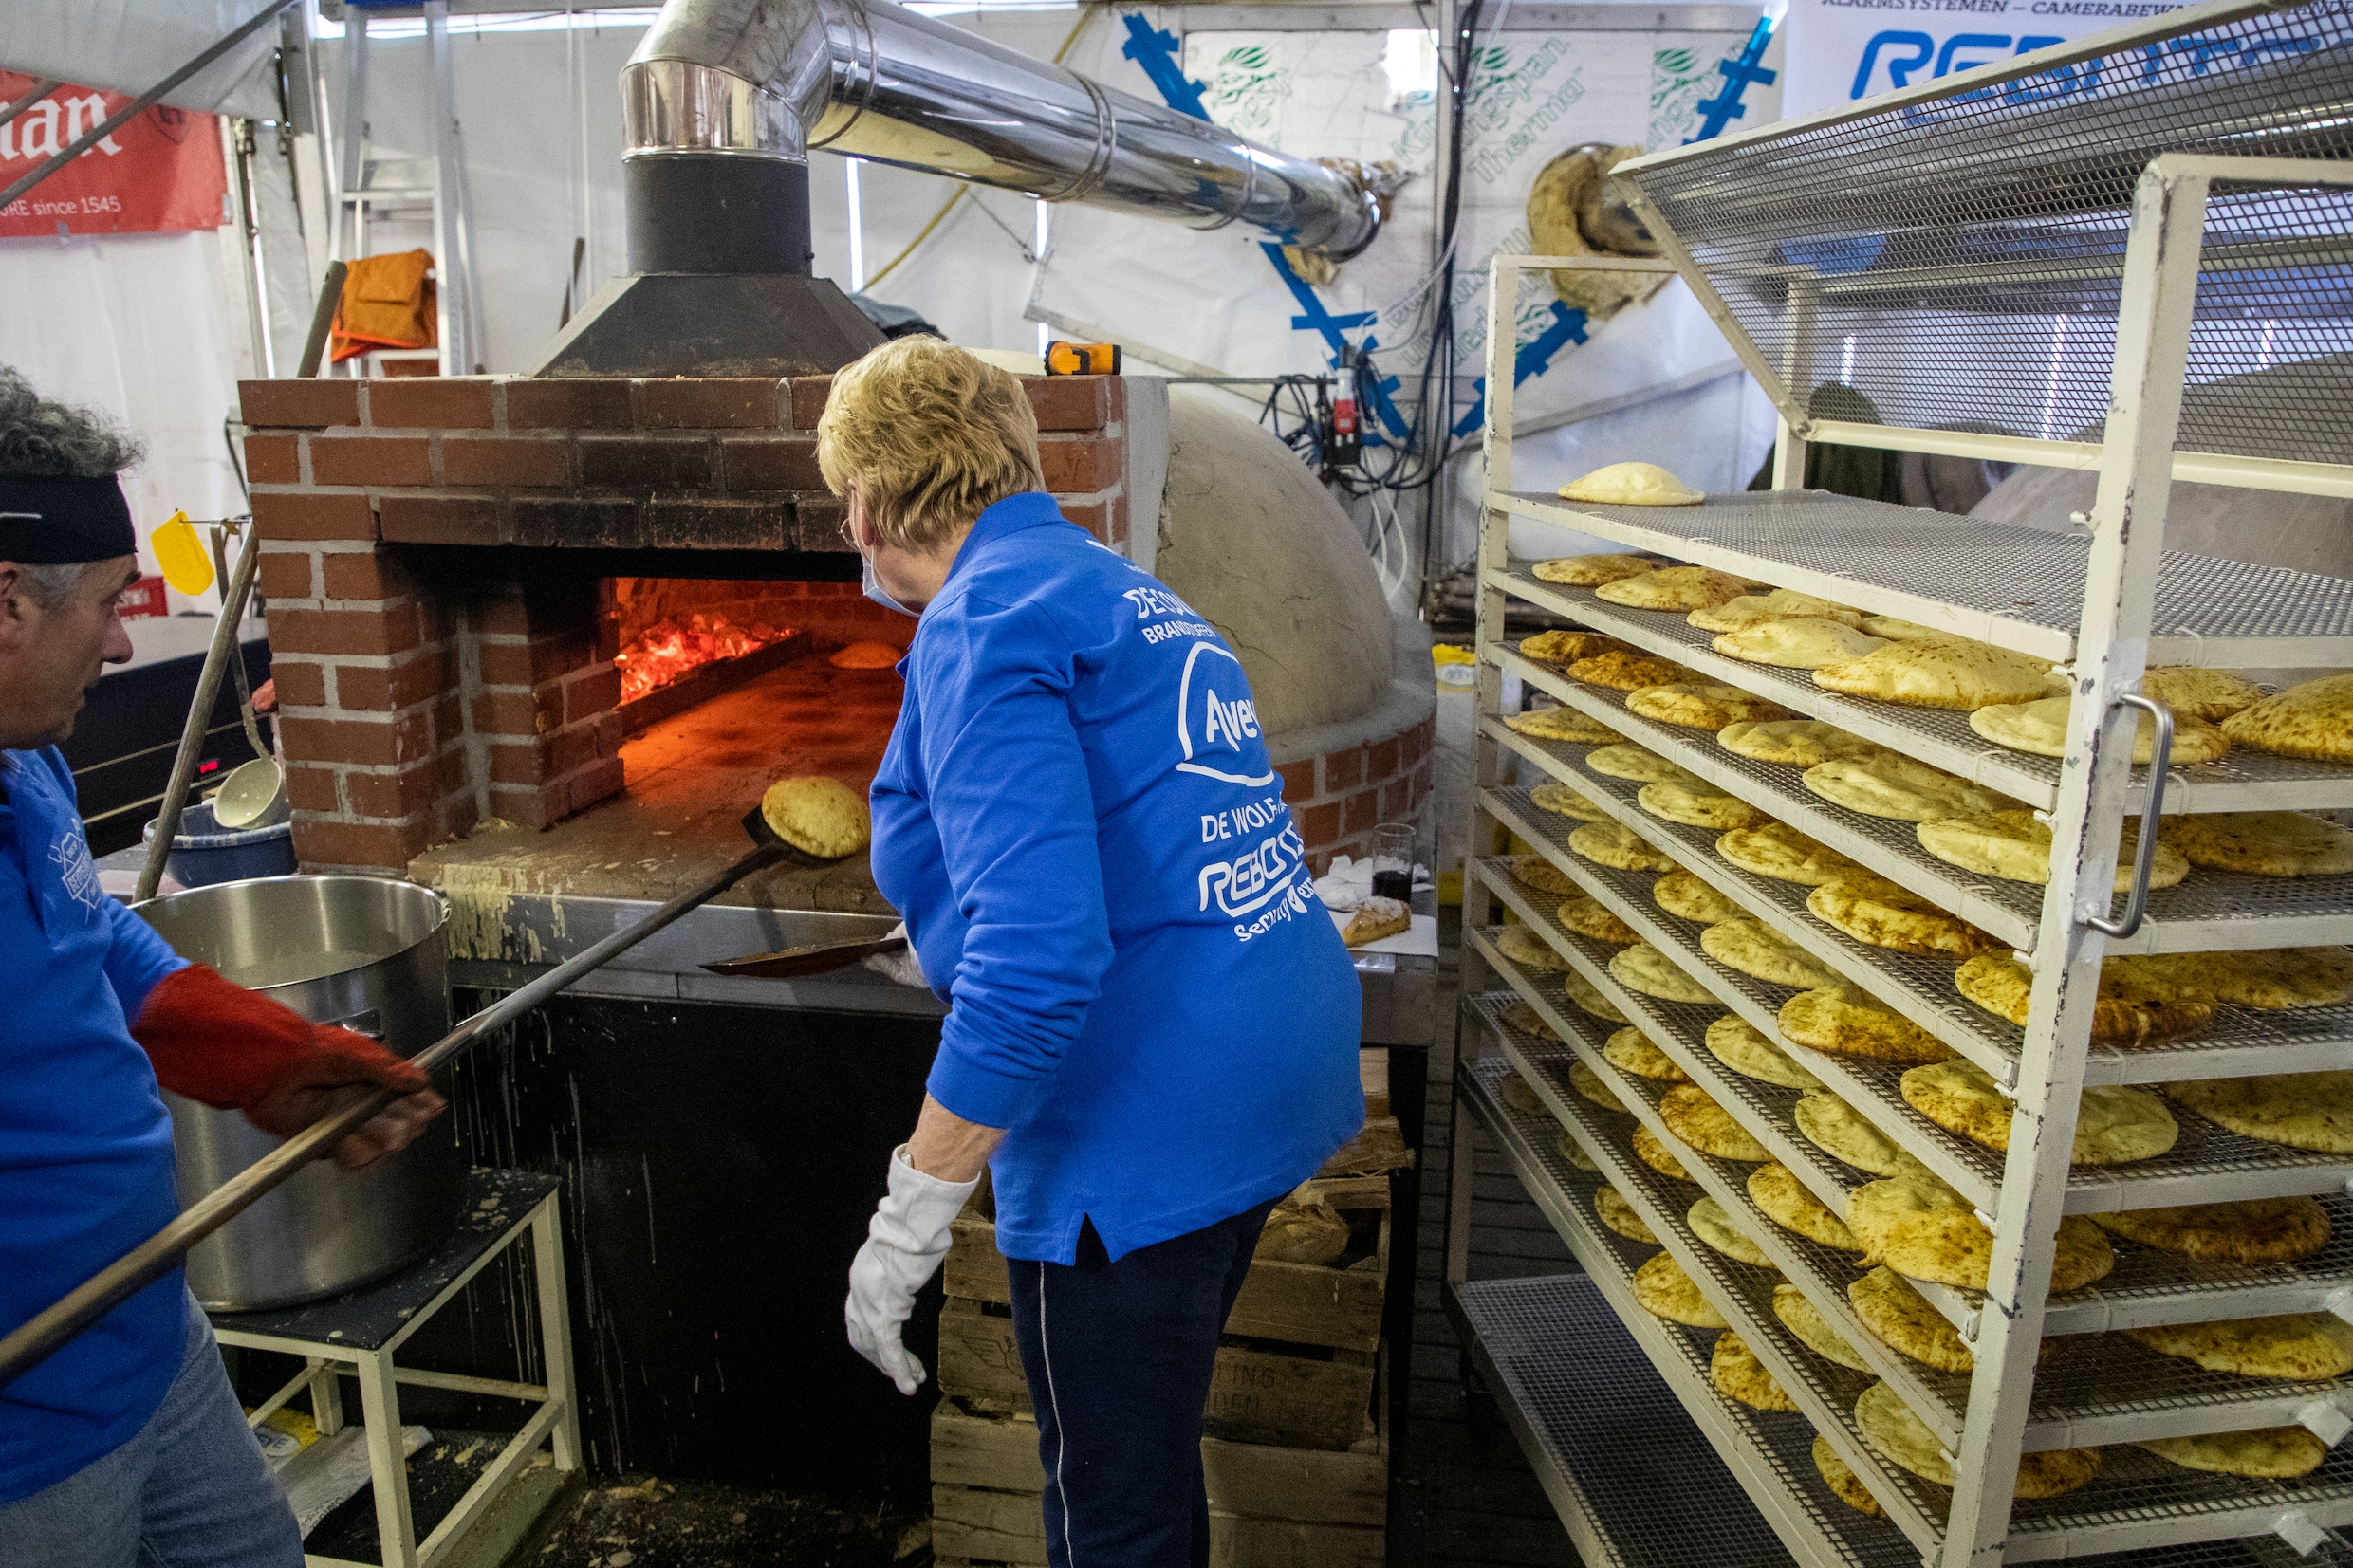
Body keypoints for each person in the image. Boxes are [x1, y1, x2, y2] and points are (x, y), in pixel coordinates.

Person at [826, 339, 1365, 1568]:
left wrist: (913, 1210)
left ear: (865, 504)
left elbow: (1037, 965)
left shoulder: (982, 624)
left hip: (1146, 1119)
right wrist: (953, 936)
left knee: (1106, 1514)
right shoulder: (1117, 586)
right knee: (1143, 1459)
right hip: (1270, 1050)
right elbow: (1143, 824)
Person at [0, 368, 447, 1566]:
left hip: (151, 1336)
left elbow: (96, 939)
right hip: (23, 1451)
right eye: (109, 601)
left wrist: (272, 1057)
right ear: (5, 600)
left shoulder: (22, 757)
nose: (131, 635)